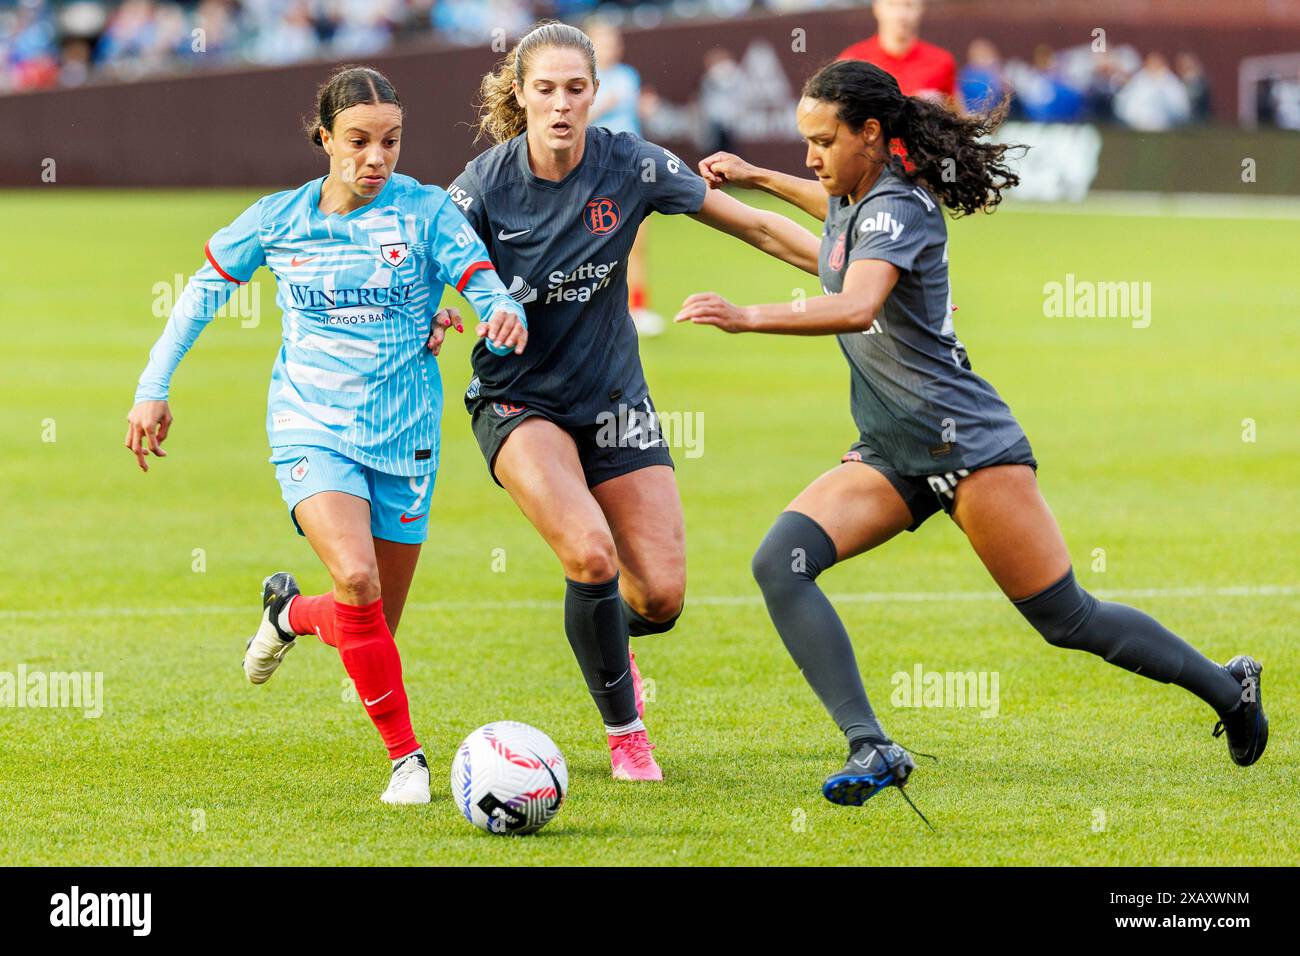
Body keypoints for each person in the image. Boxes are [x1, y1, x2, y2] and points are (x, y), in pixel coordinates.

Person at [683, 59, 1267, 813]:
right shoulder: (849, 200)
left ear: (871, 134)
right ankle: (870, 743)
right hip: (893, 454)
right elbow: (810, 231)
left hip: (968, 450)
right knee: (781, 562)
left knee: (1068, 620)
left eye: (822, 141)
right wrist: (756, 177)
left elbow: (858, 304)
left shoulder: (898, 209)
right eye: (804, 142)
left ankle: (1229, 688)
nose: (811, 157)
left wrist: (747, 315)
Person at [124, 65, 528, 805]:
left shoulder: (428, 213)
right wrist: (154, 387)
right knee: (358, 582)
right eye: (359, 141)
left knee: (370, 628)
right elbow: (199, 298)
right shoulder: (280, 219)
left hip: (405, 437)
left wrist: (503, 310)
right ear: (324, 140)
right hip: (310, 426)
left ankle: (287, 614)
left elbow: (483, 282)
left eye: (391, 141)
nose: (376, 158)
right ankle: (408, 762)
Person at [450, 21, 820, 782]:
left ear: (598, 94)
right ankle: (627, 736)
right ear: (520, 95)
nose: (560, 106)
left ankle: (599, 642)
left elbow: (751, 225)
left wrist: (860, 273)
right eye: (544, 90)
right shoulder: (483, 185)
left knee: (660, 597)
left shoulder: (633, 164)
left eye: (575, 90)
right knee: (590, 555)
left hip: (615, 402)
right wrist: (438, 315)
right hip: (518, 400)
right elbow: (431, 270)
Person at [586, 18, 662, 336]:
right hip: (597, 166)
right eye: (604, 40)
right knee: (595, 240)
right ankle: (593, 308)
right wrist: (604, 104)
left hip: (631, 163)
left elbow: (632, 117)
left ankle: (638, 307)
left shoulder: (628, 75)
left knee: (637, 239)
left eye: (614, 40)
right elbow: (580, 118)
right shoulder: (584, 78)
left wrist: (645, 109)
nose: (612, 46)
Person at [837, 0, 955, 102]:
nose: (901, 15)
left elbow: (957, 116)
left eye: (908, 5)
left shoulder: (941, 61)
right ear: (877, 7)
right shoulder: (852, 60)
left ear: (921, 8)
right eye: (892, 4)